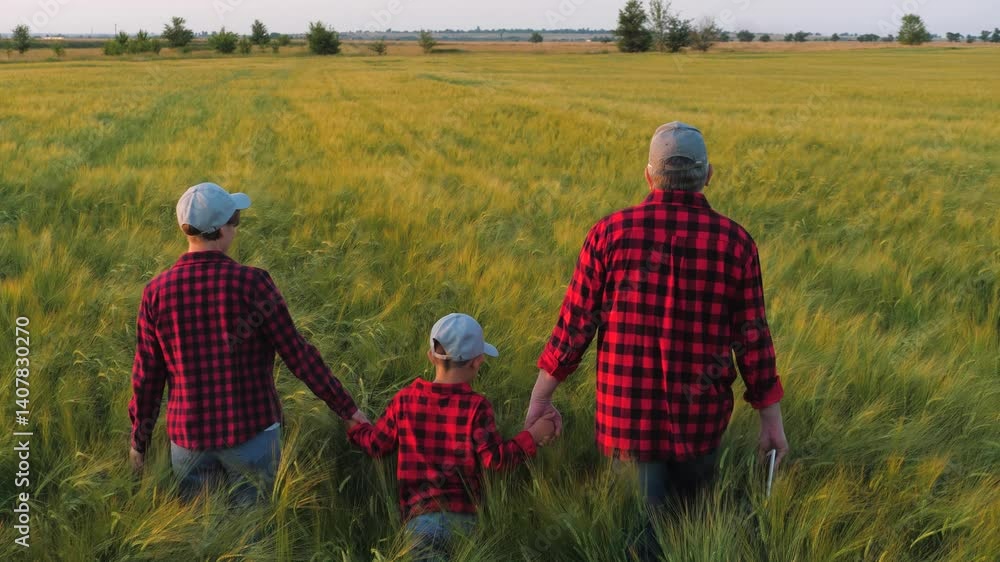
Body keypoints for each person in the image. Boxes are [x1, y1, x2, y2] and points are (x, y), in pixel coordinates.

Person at [523, 122, 789, 556]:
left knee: (636, 535)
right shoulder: (736, 243)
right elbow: (753, 340)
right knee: (692, 531)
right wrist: (771, 423)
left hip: (626, 421)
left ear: (649, 175)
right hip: (700, 422)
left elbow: (573, 328)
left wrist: (540, 399)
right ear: (708, 176)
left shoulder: (608, 235)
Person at [128, 182, 369, 505]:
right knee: (254, 539)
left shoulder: (156, 292)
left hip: (188, 442)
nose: (236, 228)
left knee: (201, 539)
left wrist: (138, 442)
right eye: (235, 220)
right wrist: (347, 409)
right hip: (251, 436)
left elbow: (147, 378)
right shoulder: (253, 284)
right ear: (223, 229)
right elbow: (298, 355)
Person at [348, 313, 556, 561]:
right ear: (477, 362)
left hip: (419, 522)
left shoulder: (405, 400)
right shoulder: (477, 407)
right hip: (464, 524)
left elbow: (376, 445)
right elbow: (496, 460)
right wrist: (532, 436)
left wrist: (354, 427)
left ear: (430, 356)